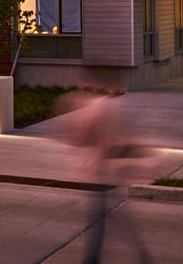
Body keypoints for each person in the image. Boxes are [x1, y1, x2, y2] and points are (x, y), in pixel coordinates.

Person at [56, 91, 152, 264]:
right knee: (116, 219)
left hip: (100, 173)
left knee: (100, 220)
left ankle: (93, 259)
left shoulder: (96, 107)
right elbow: (123, 136)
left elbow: (83, 137)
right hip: (112, 174)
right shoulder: (117, 105)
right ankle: (141, 254)